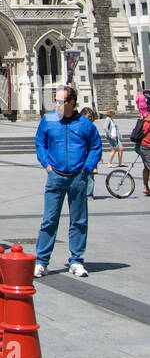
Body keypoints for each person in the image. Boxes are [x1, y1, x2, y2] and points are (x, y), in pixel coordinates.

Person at [34, 83, 103, 278]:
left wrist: (86, 168)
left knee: (79, 220)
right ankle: (42, 261)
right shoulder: (48, 120)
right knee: (49, 219)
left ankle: (76, 260)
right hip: (55, 176)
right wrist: (47, 165)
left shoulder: (84, 124)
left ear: (72, 102)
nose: (57, 104)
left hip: (77, 177)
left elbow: (96, 146)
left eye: (61, 101)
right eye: (55, 101)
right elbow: (40, 143)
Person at [131, 93, 150, 196]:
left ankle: (145, 187)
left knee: (147, 167)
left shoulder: (144, 116)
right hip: (146, 146)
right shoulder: (148, 118)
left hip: (142, 146)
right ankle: (145, 187)